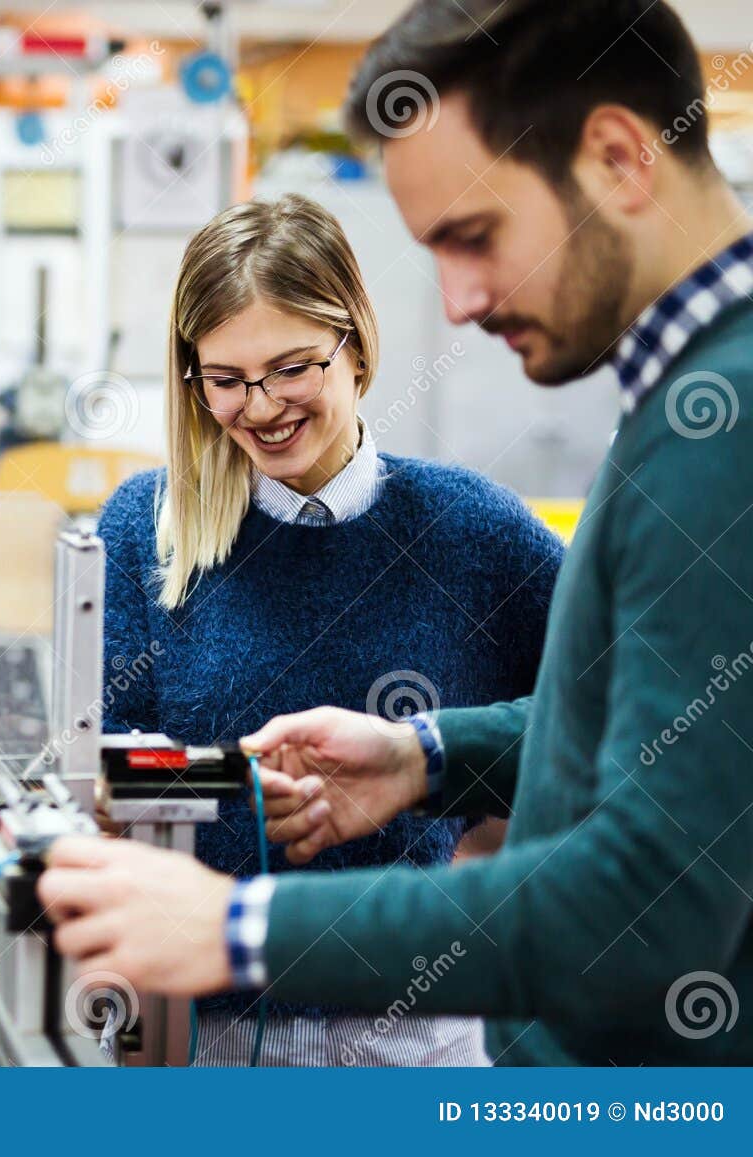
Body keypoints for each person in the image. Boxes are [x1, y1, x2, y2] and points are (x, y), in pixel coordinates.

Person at [39, 0, 753, 1065]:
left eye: (476, 236)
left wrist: (241, 930)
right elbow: (612, 734)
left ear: (616, 157)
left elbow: (646, 900)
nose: (459, 303)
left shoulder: (717, 428)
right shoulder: (686, 409)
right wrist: (423, 752)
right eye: (228, 378)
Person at [95, 193, 563, 1065]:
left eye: (291, 367)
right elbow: (101, 769)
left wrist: (423, 767)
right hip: (204, 1037)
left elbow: (604, 732)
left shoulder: (476, 535)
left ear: (356, 344)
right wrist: (227, 782)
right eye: (225, 380)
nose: (260, 406)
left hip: (417, 1035)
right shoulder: (143, 531)